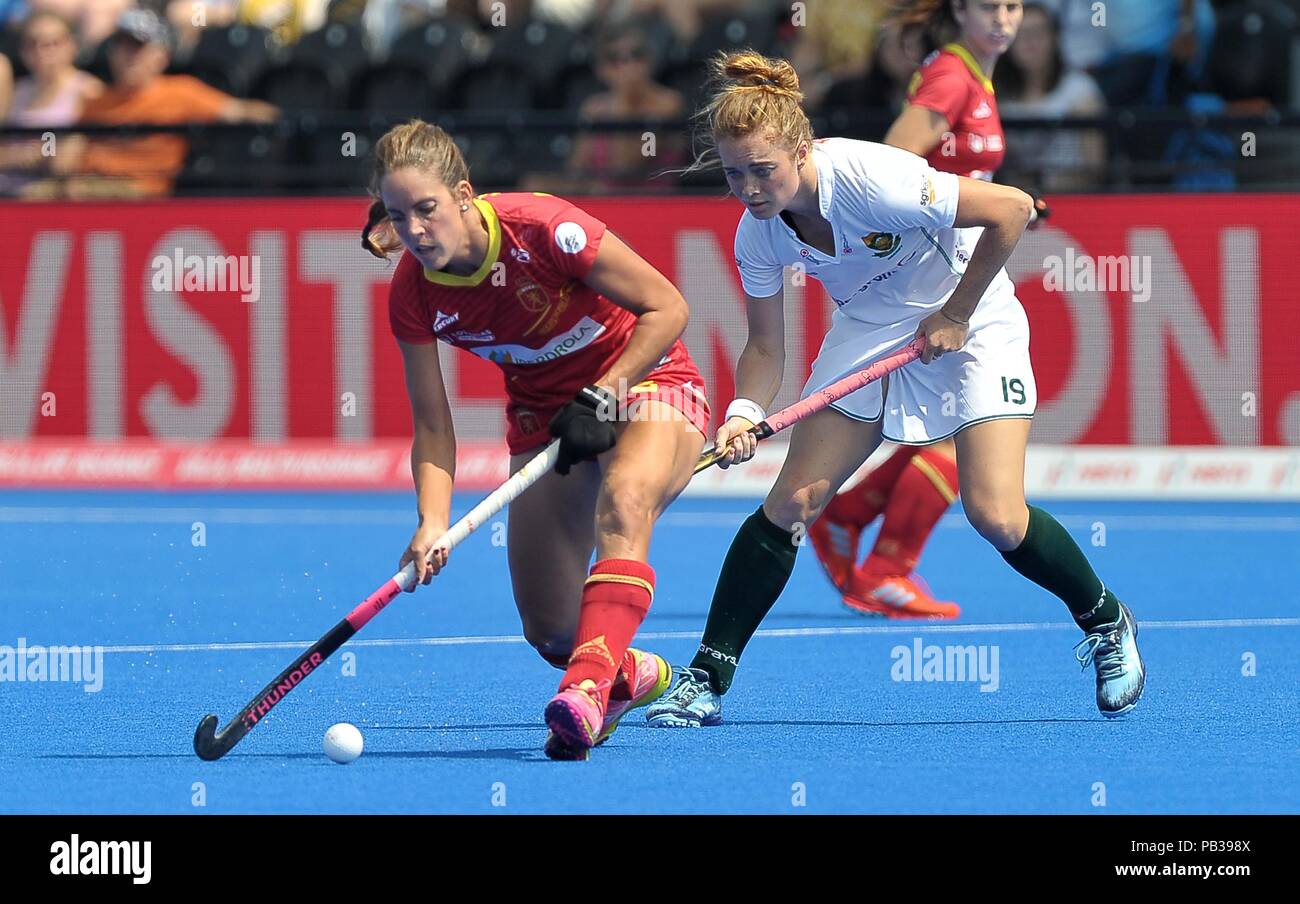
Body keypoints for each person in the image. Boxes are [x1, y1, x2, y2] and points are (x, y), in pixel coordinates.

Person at [645, 49, 1144, 728]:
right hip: (871, 326)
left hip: (972, 312)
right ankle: (704, 679)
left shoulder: (870, 179)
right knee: (791, 501)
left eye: (763, 171)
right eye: (735, 175)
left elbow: (1010, 210)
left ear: (802, 148)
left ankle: (1106, 620)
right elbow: (765, 346)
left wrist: (957, 314)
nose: (752, 189)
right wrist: (743, 412)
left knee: (995, 514)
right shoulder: (757, 232)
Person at [366, 119, 712, 759]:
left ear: (464, 195)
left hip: (647, 380)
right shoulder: (412, 294)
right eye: (398, 214)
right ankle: (632, 674)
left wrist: (607, 390)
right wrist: (431, 522)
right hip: (546, 419)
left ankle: (584, 686)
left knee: (625, 500)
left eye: (427, 209)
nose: (414, 230)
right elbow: (434, 427)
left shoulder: (545, 229)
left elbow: (667, 306)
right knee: (552, 628)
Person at [810, 0, 1042, 620]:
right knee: (965, 427)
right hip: (932, 272)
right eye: (989, 6)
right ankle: (887, 566)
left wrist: (1000, 200)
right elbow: (892, 161)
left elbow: (953, 169)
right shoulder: (953, 75)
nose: (1003, 18)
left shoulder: (976, 75)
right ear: (961, 11)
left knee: (954, 425)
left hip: (955, 263)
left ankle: (849, 515)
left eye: (1014, 6)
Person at [35, 8, 278, 199]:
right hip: (81, 187)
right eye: (120, 45)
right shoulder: (95, 100)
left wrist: (282, 116)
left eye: (137, 47)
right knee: (30, 197)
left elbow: (239, 111)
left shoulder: (182, 91)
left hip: (139, 193)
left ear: (161, 57)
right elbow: (65, 157)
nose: (127, 55)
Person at [995, 2, 1106, 191]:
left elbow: (1096, 168)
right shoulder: (996, 98)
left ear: (1055, 38)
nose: (1030, 43)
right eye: (1021, 34)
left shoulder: (1081, 91)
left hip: (1072, 199)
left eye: (1038, 33)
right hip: (1014, 203)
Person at [0, 10, 102, 197]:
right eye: (33, 44)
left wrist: (37, 153)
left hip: (49, 195)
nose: (42, 51)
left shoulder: (89, 90)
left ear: (72, 45)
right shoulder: (17, 90)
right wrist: (32, 153)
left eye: (53, 43)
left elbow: (68, 155)